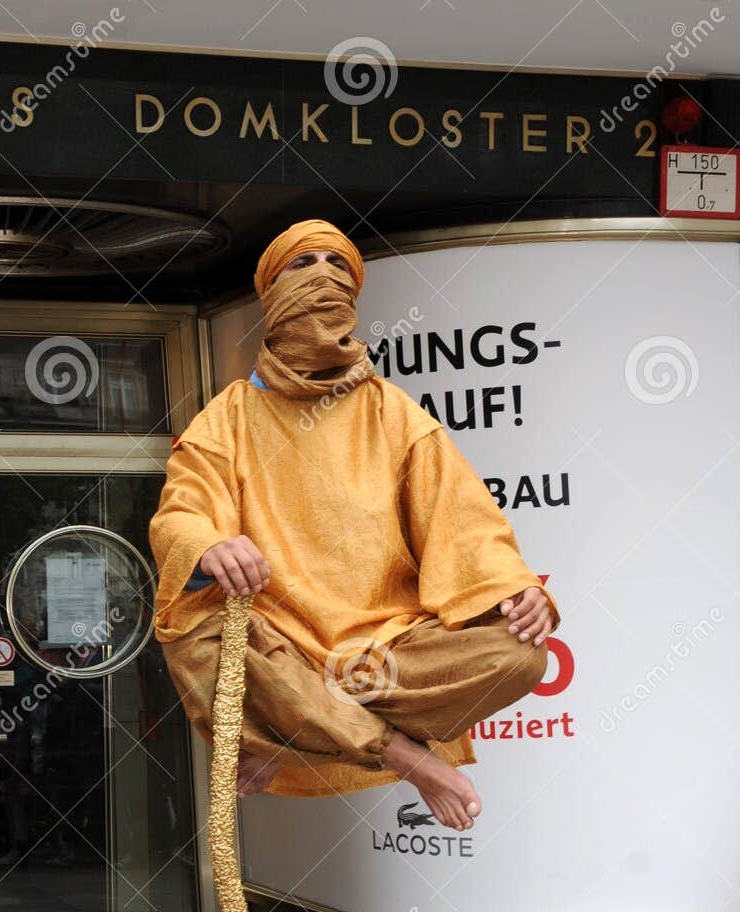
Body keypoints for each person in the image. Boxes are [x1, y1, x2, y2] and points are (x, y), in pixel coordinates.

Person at [149, 218, 561, 828]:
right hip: (276, 643)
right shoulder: (228, 416)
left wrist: (515, 587)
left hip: (380, 659)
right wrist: (208, 546)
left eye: (338, 266)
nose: (323, 277)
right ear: (271, 293)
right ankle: (409, 760)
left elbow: (464, 515)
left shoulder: (392, 411)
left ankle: (287, 737)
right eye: (302, 264)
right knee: (199, 642)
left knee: (522, 658)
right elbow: (181, 510)